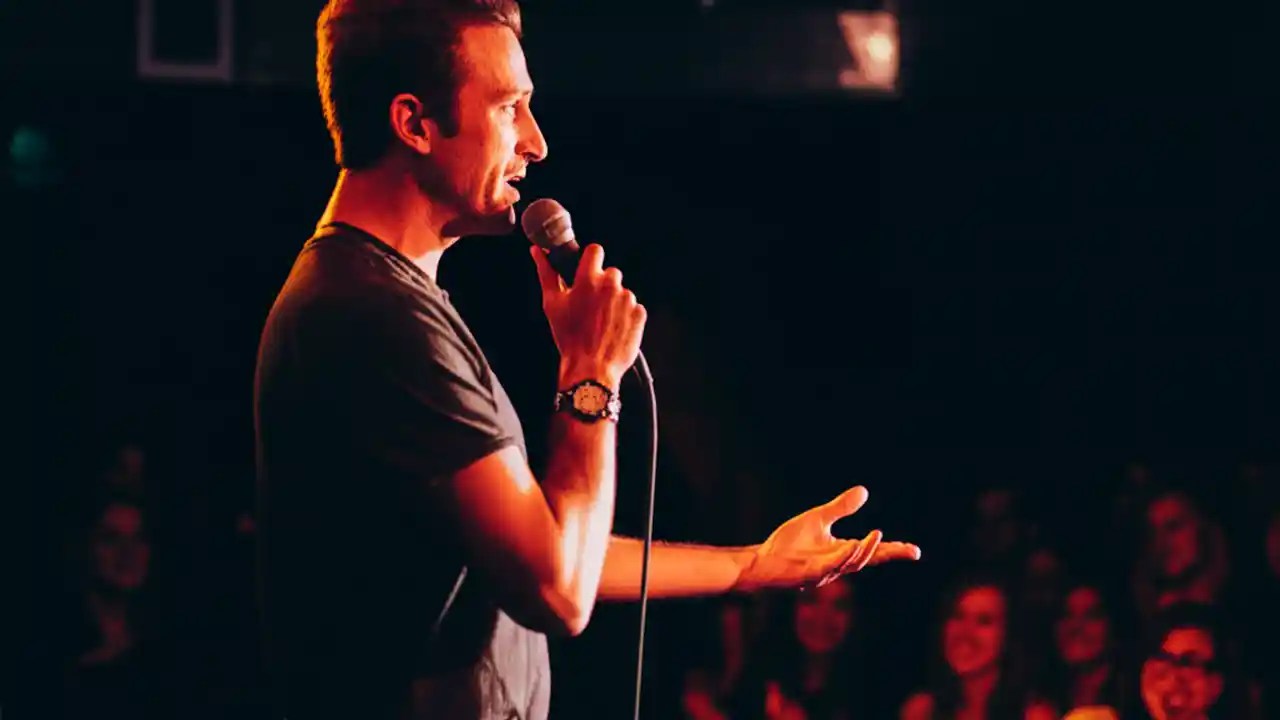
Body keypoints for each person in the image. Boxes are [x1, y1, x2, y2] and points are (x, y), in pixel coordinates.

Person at [252, 2, 922, 719]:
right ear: (414, 123)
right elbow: (557, 591)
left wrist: (751, 565)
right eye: (511, 108)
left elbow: (542, 546)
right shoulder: (369, 315)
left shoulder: (392, 300)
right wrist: (591, 376)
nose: (535, 144)